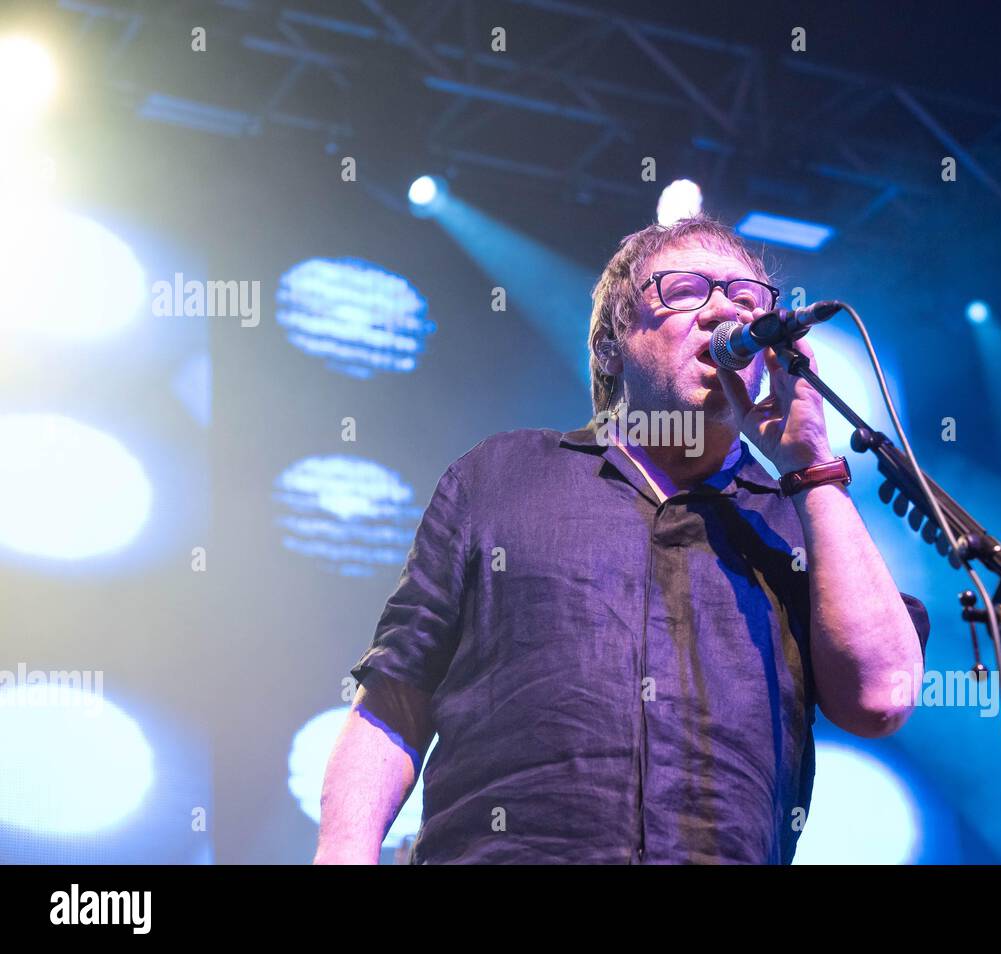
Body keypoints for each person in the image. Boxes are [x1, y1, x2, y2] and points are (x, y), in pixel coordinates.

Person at [313, 214, 929, 864]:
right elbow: (396, 692)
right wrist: (344, 851)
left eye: (747, 300)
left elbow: (882, 697)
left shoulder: (795, 523)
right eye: (688, 289)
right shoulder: (499, 476)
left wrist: (812, 469)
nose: (725, 311)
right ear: (610, 343)